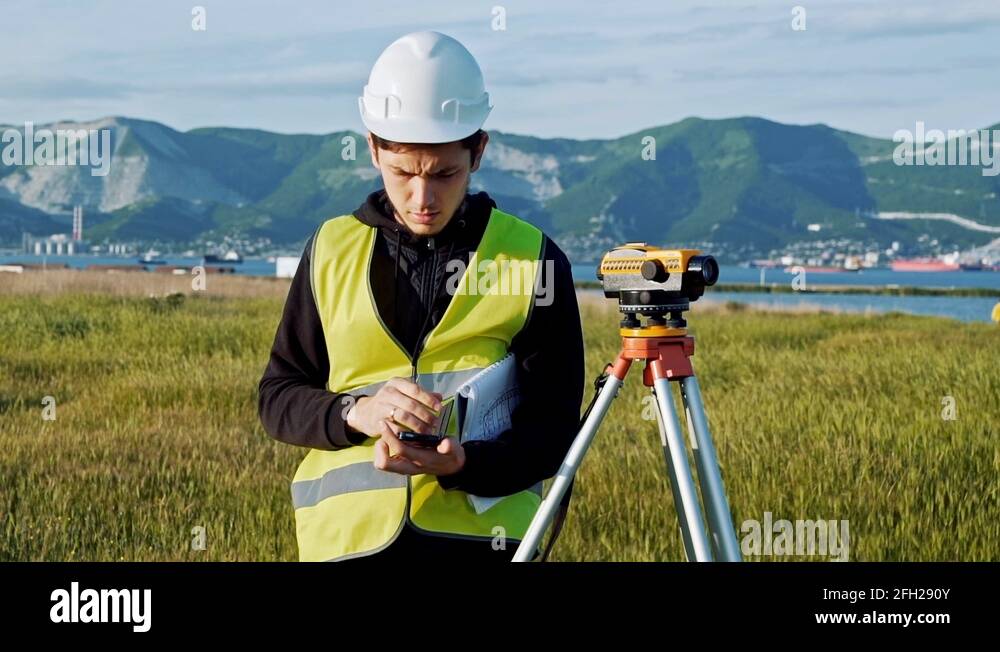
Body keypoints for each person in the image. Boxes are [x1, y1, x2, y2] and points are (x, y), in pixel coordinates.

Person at [258, 31, 584, 562]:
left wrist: (464, 464)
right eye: (403, 172)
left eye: (444, 174)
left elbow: (552, 431)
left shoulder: (535, 259)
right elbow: (277, 397)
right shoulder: (329, 250)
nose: (423, 198)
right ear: (372, 149)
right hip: (347, 544)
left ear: (478, 150)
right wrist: (354, 412)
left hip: (482, 541)